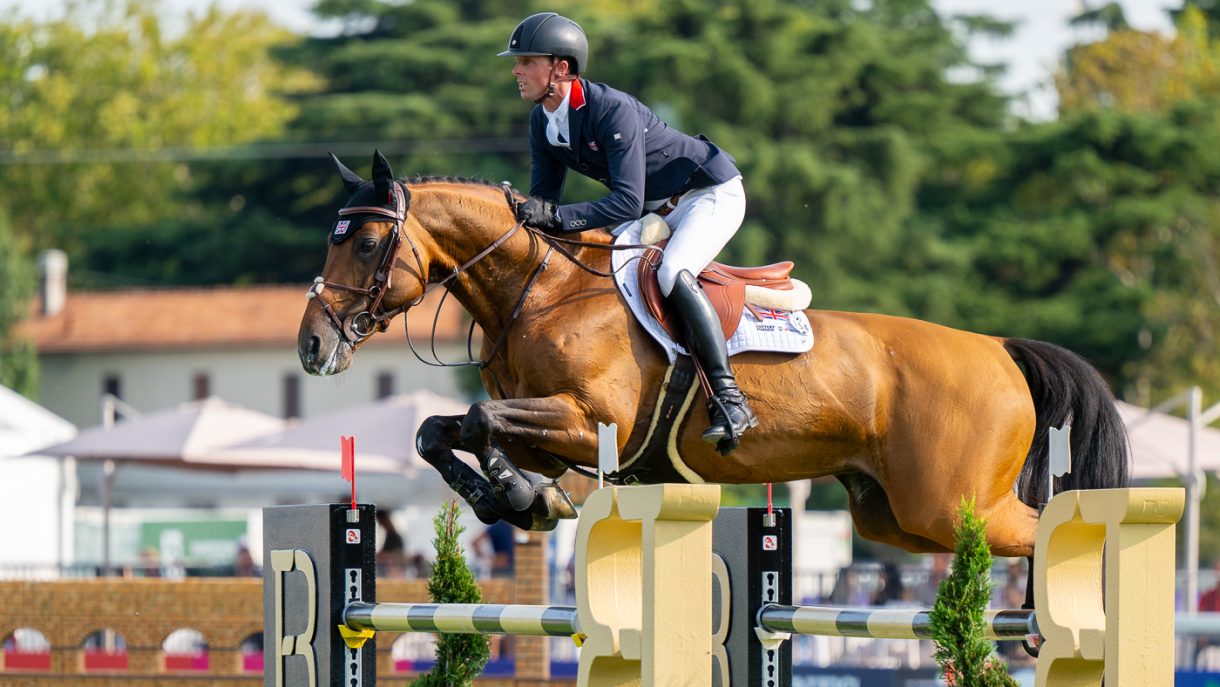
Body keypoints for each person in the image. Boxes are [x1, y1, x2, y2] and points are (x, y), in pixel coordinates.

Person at [499, 12, 757, 452]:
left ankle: (730, 398)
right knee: (606, 269)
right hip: (659, 208)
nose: (516, 70)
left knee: (673, 271)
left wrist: (557, 218)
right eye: (517, 61)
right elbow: (545, 202)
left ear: (560, 68)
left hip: (707, 193)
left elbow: (624, 203)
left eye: (526, 61)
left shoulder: (609, 108)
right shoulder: (542, 121)